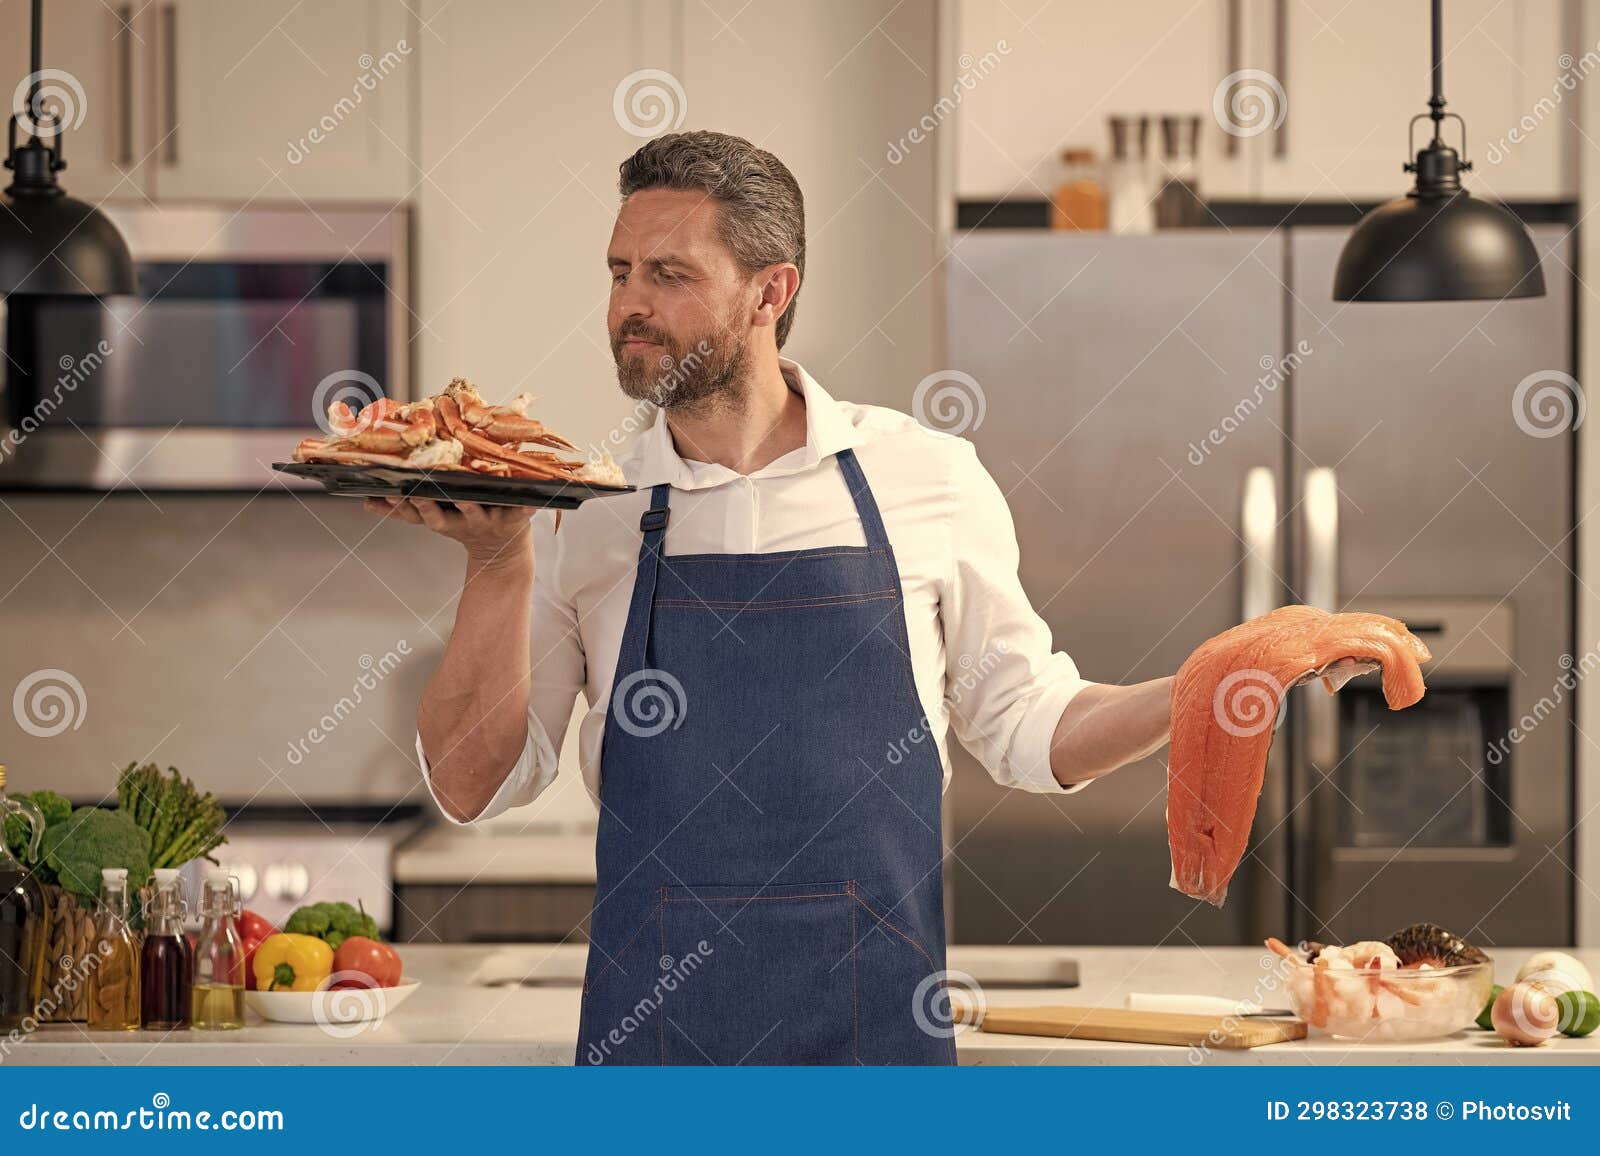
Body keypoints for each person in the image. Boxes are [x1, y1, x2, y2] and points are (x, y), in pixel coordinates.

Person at [371, 130, 1171, 1065]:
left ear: (770, 292)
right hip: (657, 1052)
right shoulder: (584, 508)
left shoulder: (926, 478)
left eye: (668, 274)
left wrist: (1211, 685)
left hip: (876, 1046)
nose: (629, 305)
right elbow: (472, 786)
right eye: (620, 271)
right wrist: (496, 563)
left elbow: (1030, 725)